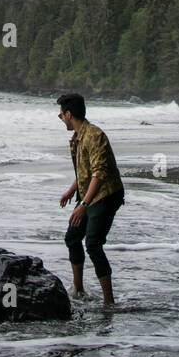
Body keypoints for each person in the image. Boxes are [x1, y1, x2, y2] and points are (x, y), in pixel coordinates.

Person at [57, 93, 124, 307]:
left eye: (60, 115)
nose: (60, 119)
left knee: (93, 244)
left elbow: (99, 174)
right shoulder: (78, 137)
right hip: (90, 193)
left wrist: (83, 205)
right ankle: (77, 289)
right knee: (72, 237)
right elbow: (84, 172)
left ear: (69, 114)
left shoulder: (94, 136)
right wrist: (70, 191)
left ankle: (108, 301)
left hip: (106, 194)